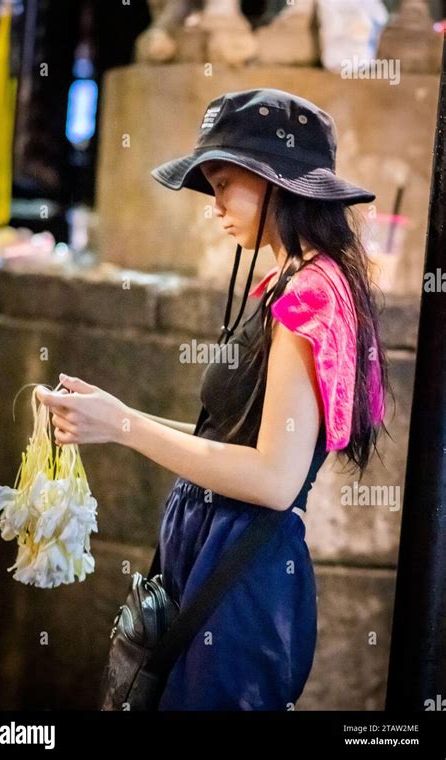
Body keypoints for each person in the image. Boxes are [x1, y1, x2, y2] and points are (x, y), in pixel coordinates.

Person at [37, 88, 390, 710]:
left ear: (276, 181)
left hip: (241, 577)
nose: (215, 205)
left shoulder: (313, 294)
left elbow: (276, 479)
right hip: (210, 554)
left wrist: (122, 425)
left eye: (224, 183)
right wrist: (109, 413)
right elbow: (231, 437)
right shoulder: (284, 280)